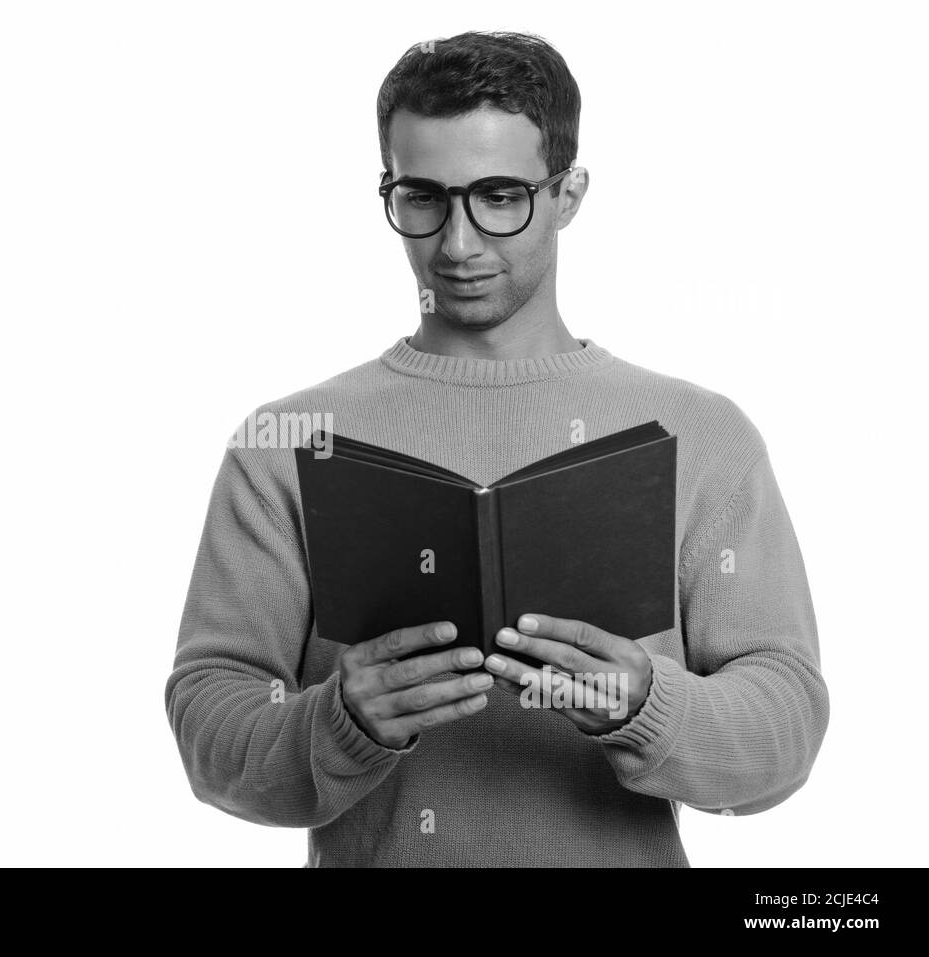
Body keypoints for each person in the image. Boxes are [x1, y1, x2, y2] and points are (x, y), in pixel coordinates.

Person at [164, 30, 828, 867]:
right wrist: (341, 722)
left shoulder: (700, 434)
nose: (459, 244)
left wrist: (647, 704)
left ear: (570, 192)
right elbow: (211, 722)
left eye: (501, 196)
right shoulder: (286, 445)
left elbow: (785, 733)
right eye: (423, 198)